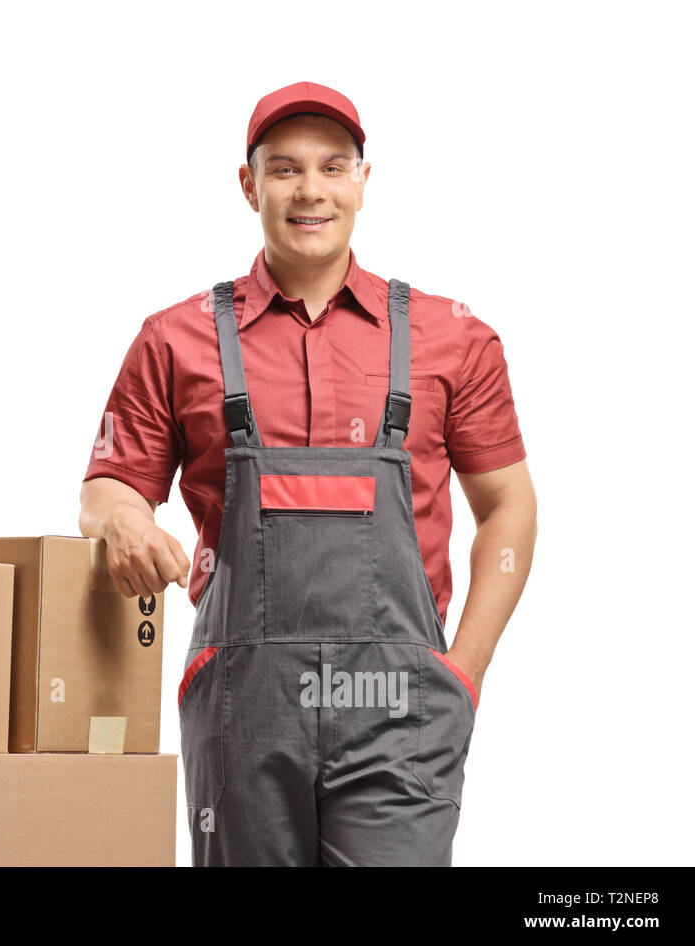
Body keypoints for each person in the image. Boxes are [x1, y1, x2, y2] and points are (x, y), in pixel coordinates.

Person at [77, 81, 537, 866]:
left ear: (363, 180)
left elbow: (509, 506)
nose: (311, 190)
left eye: (333, 167)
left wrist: (466, 670)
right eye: (284, 169)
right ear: (249, 184)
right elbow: (110, 486)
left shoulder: (451, 338)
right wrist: (122, 517)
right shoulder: (174, 338)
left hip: (401, 709)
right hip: (244, 709)